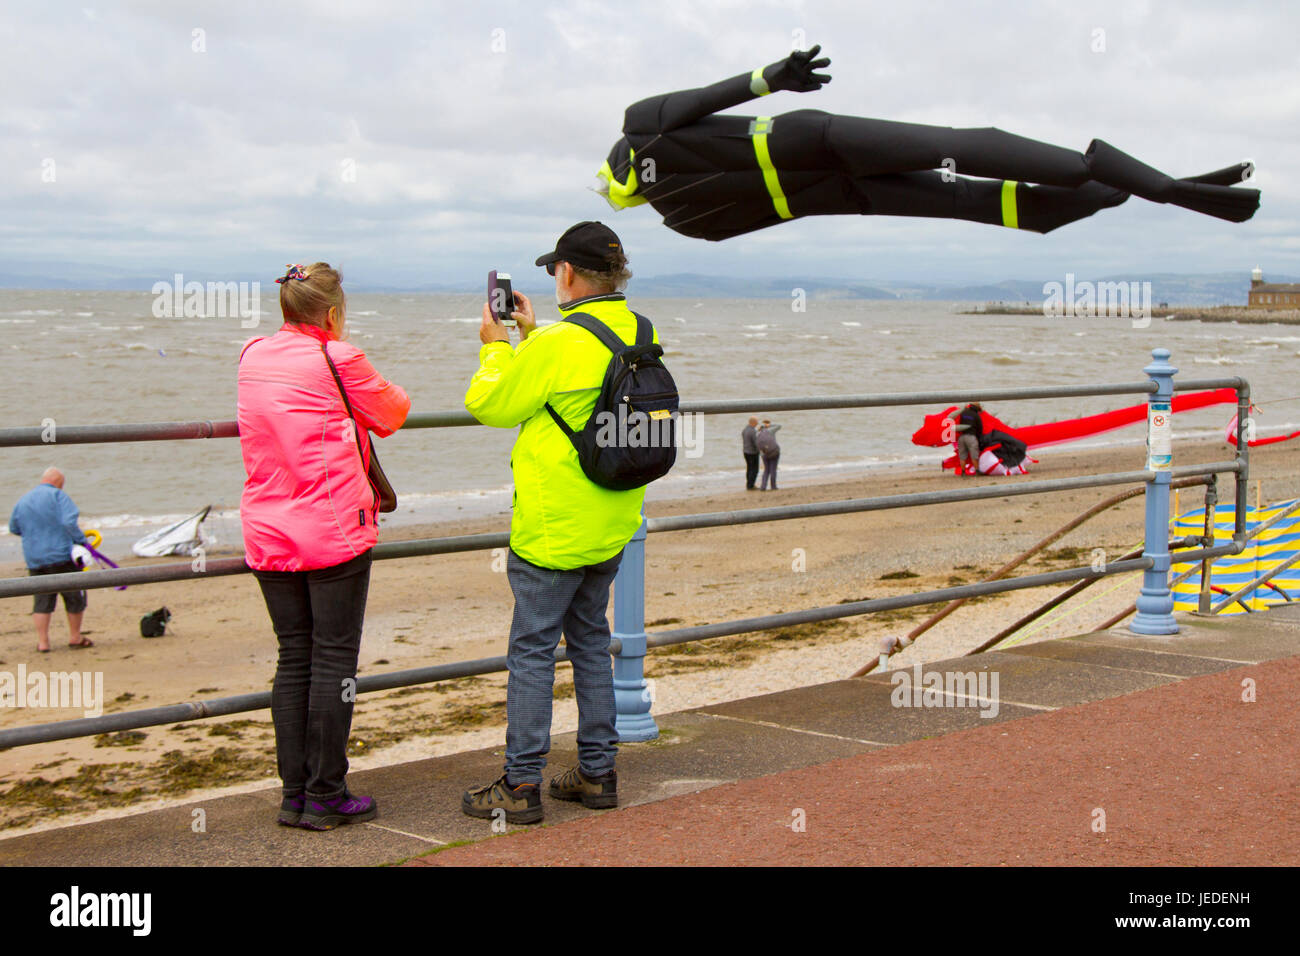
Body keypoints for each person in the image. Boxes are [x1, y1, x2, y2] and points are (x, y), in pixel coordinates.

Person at [596, 46, 1259, 242]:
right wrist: (777, 77)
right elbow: (719, 97)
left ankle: (1155, 189)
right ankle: (1159, 186)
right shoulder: (642, 124)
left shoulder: (685, 221)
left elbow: (717, 111)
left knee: (974, 194)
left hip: (835, 188)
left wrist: (775, 79)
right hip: (823, 149)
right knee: (967, 151)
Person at [462, 221, 653, 825]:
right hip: (614, 518)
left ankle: (521, 785)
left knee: (533, 649)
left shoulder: (553, 345)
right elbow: (583, 383)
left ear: (567, 273)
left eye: (555, 270)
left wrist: (497, 347)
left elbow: (490, 405)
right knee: (593, 640)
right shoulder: (642, 330)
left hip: (553, 526)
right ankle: (598, 773)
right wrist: (535, 334)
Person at [237, 262, 410, 831]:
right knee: (334, 660)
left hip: (267, 531)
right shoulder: (340, 358)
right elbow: (393, 412)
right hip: (333, 531)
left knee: (294, 657)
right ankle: (327, 795)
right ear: (333, 313)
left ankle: (295, 794)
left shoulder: (252, 355)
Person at [9, 467, 92, 652]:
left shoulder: (23, 500)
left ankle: (43, 643)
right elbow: (69, 522)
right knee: (74, 597)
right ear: (59, 482)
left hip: (35, 558)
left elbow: (14, 527)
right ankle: (75, 637)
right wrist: (82, 541)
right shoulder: (59, 496)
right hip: (61, 555)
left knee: (42, 601)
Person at [954, 403, 984, 476]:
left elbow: (958, 422)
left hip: (961, 437)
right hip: (971, 437)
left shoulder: (963, 413)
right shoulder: (976, 415)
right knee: (974, 455)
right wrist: (979, 437)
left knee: (962, 456)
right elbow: (980, 428)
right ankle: (977, 471)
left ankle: (963, 472)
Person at [756, 419, 781, 490]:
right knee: (773, 469)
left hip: (764, 454)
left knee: (766, 470)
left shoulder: (758, 433)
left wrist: (762, 454)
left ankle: (763, 486)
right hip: (774, 452)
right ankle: (773, 486)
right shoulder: (771, 430)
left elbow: (757, 444)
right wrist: (770, 425)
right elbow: (779, 426)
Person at [742, 416, 760, 490]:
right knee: (754, 469)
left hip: (746, 451)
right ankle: (751, 485)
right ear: (753, 422)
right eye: (756, 422)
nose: (757, 423)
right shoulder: (752, 431)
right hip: (752, 453)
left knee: (749, 468)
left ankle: (749, 484)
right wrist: (761, 450)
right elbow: (756, 443)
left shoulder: (745, 430)